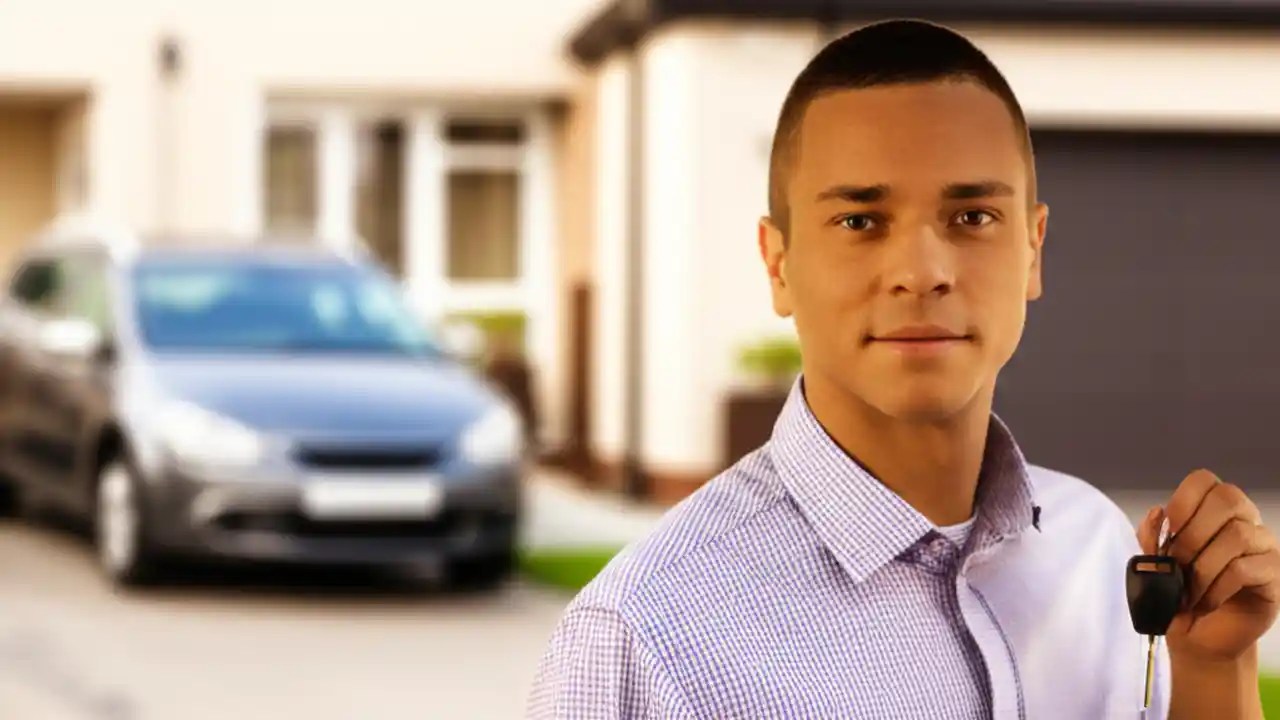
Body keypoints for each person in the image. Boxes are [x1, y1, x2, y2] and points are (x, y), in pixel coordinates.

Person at [527, 19, 1279, 719]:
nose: (921, 272)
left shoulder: (1100, 552)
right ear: (778, 262)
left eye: (972, 217)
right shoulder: (645, 641)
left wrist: (1216, 669)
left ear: (1033, 249)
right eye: (860, 221)